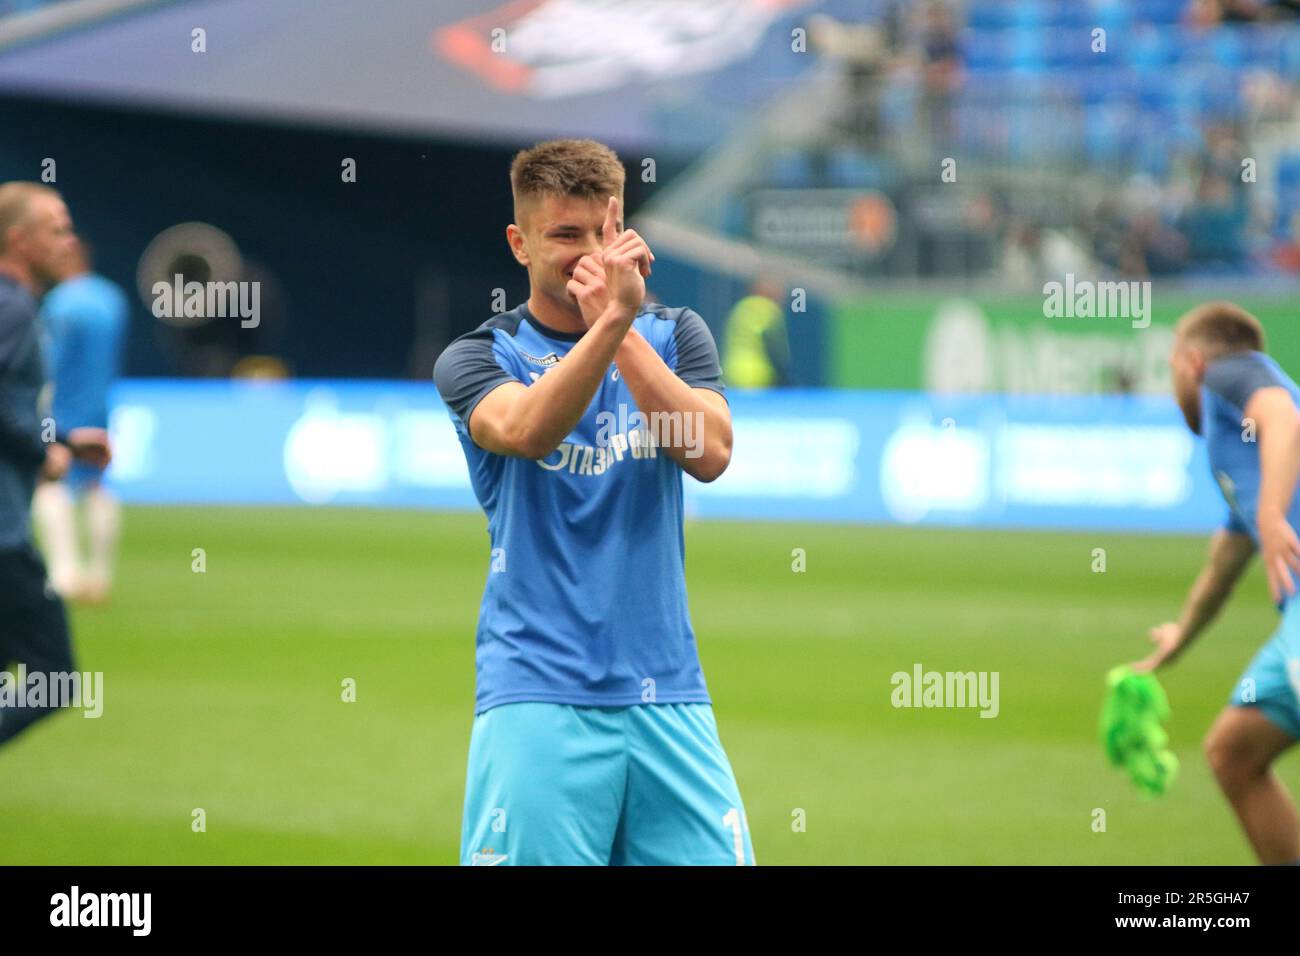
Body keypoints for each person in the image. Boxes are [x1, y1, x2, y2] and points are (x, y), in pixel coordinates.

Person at [433, 139, 753, 865]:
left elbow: (710, 452)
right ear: (519, 243)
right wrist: (612, 322)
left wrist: (626, 327)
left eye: (600, 233)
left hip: (669, 691)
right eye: (564, 236)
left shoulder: (674, 335)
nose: (587, 253)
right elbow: (523, 428)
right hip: (540, 696)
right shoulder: (481, 355)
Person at [1136, 301, 1299, 864]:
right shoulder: (1239, 458)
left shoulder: (1229, 375)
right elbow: (1224, 565)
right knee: (1234, 753)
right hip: (1293, 630)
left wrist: (1274, 517)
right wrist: (1180, 636)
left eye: (1172, 370)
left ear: (1190, 361)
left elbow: (1282, 416)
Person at [0, 182, 110, 747]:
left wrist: (64, 436)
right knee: (55, 678)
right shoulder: (13, 309)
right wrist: (44, 452)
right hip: (5, 540)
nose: (69, 242)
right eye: (57, 230)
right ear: (18, 240)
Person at [33, 236, 127, 603]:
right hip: (101, 405)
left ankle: (64, 572)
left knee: (49, 482)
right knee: (97, 486)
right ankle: (100, 573)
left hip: (61, 408)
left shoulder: (60, 303)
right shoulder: (111, 298)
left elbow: (45, 363)